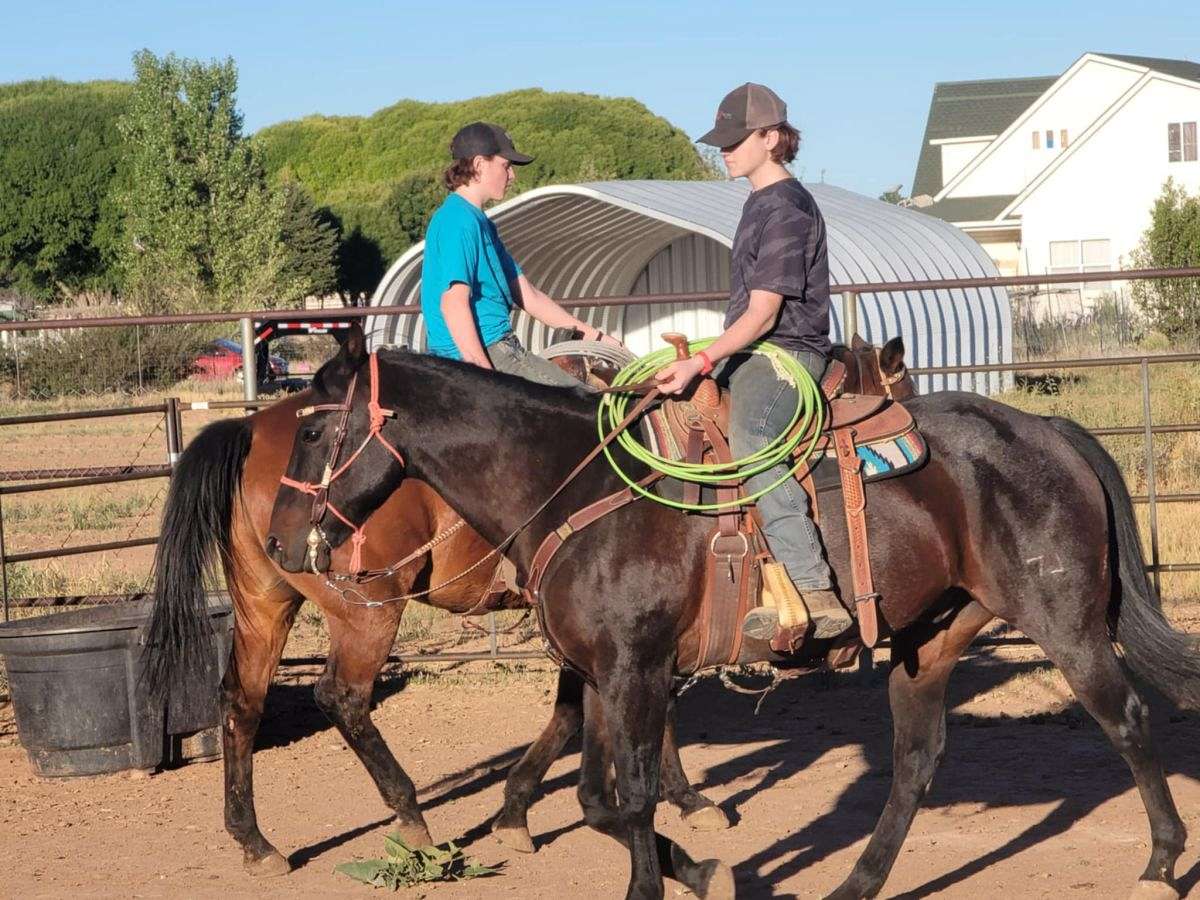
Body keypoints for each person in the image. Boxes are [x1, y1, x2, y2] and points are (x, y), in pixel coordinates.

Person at [655, 83, 852, 643]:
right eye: (721, 141)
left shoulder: (787, 207)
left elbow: (764, 314)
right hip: (754, 351)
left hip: (788, 353)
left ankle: (811, 584)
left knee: (751, 435)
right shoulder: (757, 202)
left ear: (771, 138)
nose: (725, 150)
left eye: (736, 139)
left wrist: (702, 359)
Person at [420, 122, 621, 387]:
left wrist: (597, 339)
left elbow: (530, 297)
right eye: (506, 166)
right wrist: (488, 381)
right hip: (485, 353)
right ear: (479, 164)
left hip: (500, 350)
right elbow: (453, 303)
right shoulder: (458, 220)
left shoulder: (480, 222)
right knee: (587, 405)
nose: (512, 175)